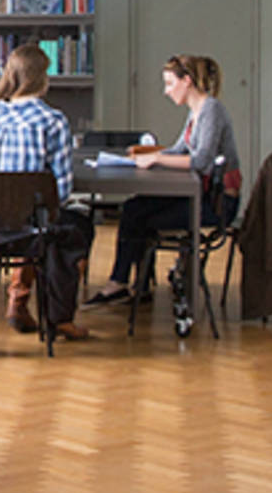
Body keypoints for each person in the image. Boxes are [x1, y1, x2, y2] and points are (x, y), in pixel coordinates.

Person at [0, 44, 92, 339]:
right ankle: (58, 317)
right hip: (31, 230)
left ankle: (20, 298)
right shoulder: (52, 121)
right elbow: (61, 192)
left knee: (33, 222)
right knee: (75, 226)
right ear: (44, 78)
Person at [87, 54, 242, 306]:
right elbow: (180, 149)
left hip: (217, 203)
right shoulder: (196, 111)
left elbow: (201, 160)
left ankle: (127, 284)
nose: (166, 91)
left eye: (170, 84)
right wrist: (147, 155)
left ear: (187, 81)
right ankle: (132, 284)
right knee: (134, 208)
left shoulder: (211, 110)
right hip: (202, 195)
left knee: (140, 219)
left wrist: (156, 161)